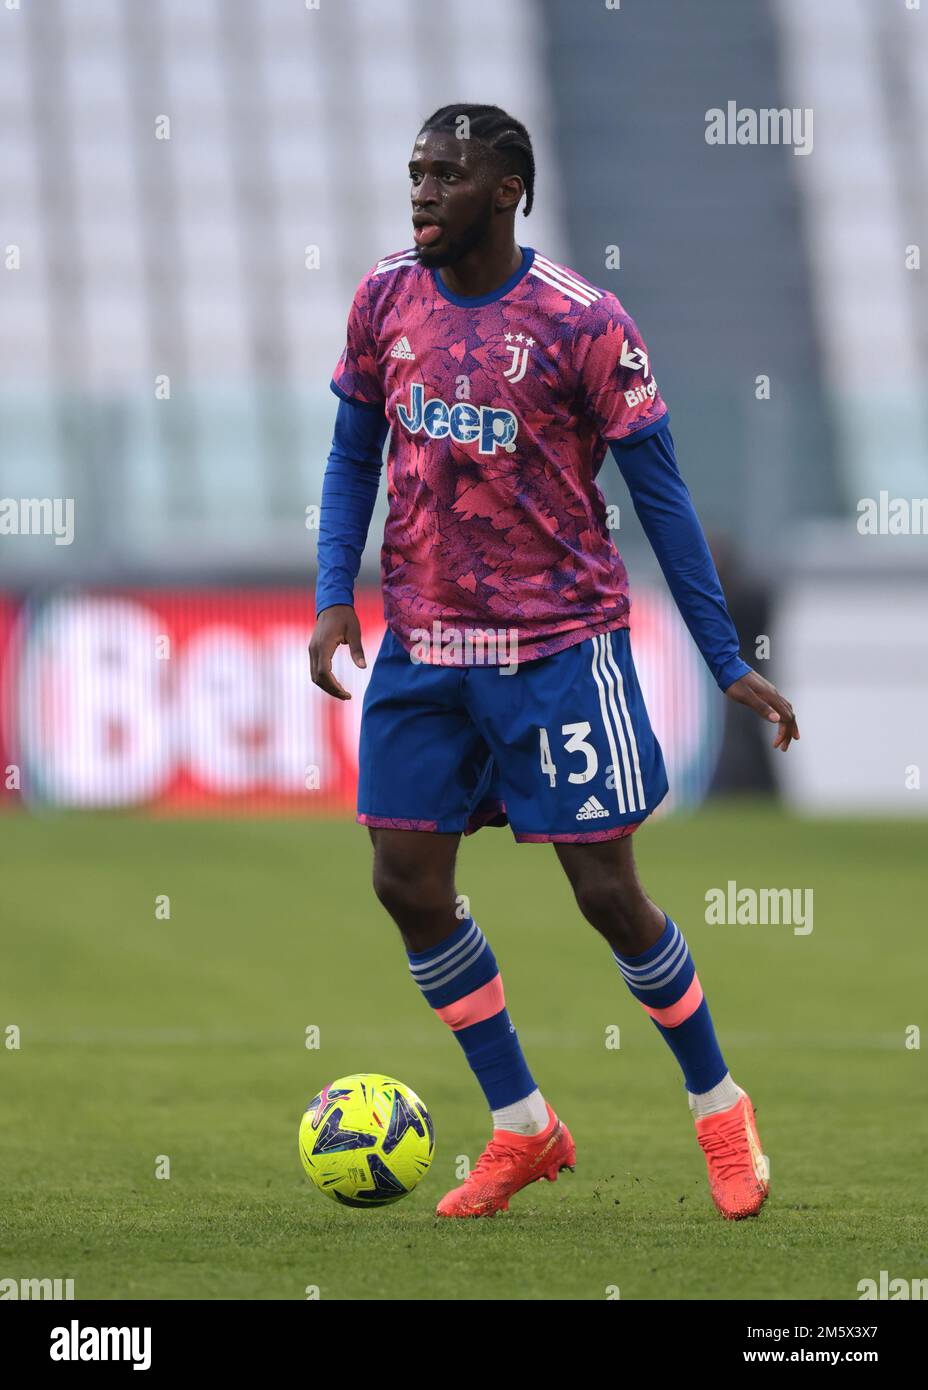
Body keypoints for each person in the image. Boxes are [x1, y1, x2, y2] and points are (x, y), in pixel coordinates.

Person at [310, 104, 799, 1220]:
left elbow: (661, 496)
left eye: (443, 175)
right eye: (413, 173)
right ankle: (523, 1125)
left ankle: (719, 1108)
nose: (421, 192)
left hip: (557, 648)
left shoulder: (583, 323)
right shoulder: (385, 297)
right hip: (425, 645)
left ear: (506, 189)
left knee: (606, 894)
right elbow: (350, 454)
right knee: (404, 879)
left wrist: (724, 657)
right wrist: (335, 595)